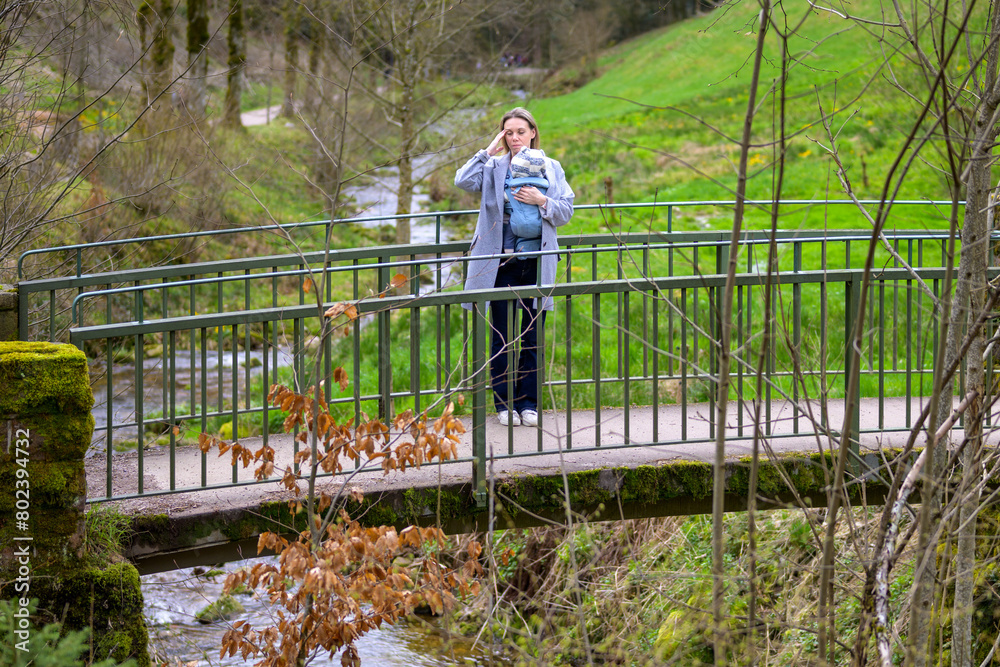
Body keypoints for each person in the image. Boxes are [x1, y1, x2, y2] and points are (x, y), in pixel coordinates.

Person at [454, 107, 575, 427]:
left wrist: (541, 201)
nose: (515, 137)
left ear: (533, 132)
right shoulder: (494, 166)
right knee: (500, 337)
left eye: (521, 131)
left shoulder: (551, 168)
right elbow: (462, 180)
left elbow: (566, 211)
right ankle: (504, 405)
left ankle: (529, 404)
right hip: (500, 264)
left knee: (532, 335)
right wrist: (488, 150)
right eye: (509, 132)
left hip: (537, 262)